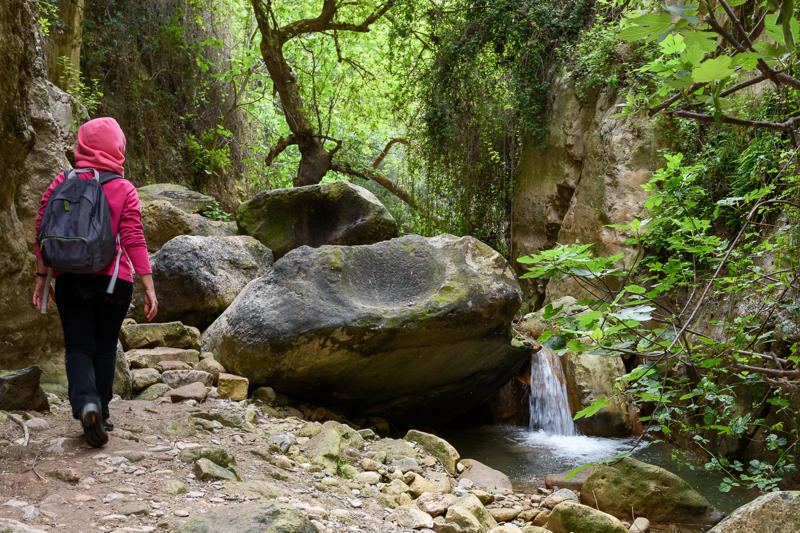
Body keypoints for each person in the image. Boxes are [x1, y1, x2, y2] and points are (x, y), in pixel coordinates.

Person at [32, 117, 158, 448]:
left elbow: (43, 232)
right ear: (118, 148)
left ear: (83, 145)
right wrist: (149, 285)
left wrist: (42, 278)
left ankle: (85, 402)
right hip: (116, 280)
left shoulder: (61, 182)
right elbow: (133, 237)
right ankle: (101, 408)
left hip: (70, 279)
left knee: (77, 346)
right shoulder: (125, 189)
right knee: (104, 346)